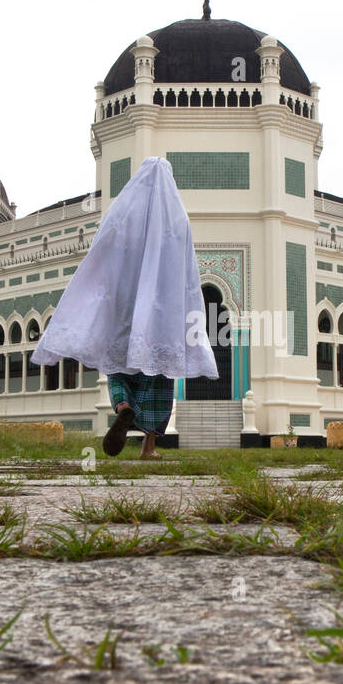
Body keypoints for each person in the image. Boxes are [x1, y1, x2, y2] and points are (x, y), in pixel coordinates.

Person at [32, 157, 218, 459]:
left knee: (118, 370)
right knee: (158, 379)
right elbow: (187, 274)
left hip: (122, 310)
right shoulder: (178, 221)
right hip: (160, 316)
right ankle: (149, 447)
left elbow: (102, 256)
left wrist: (98, 298)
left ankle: (123, 408)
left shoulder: (122, 214)